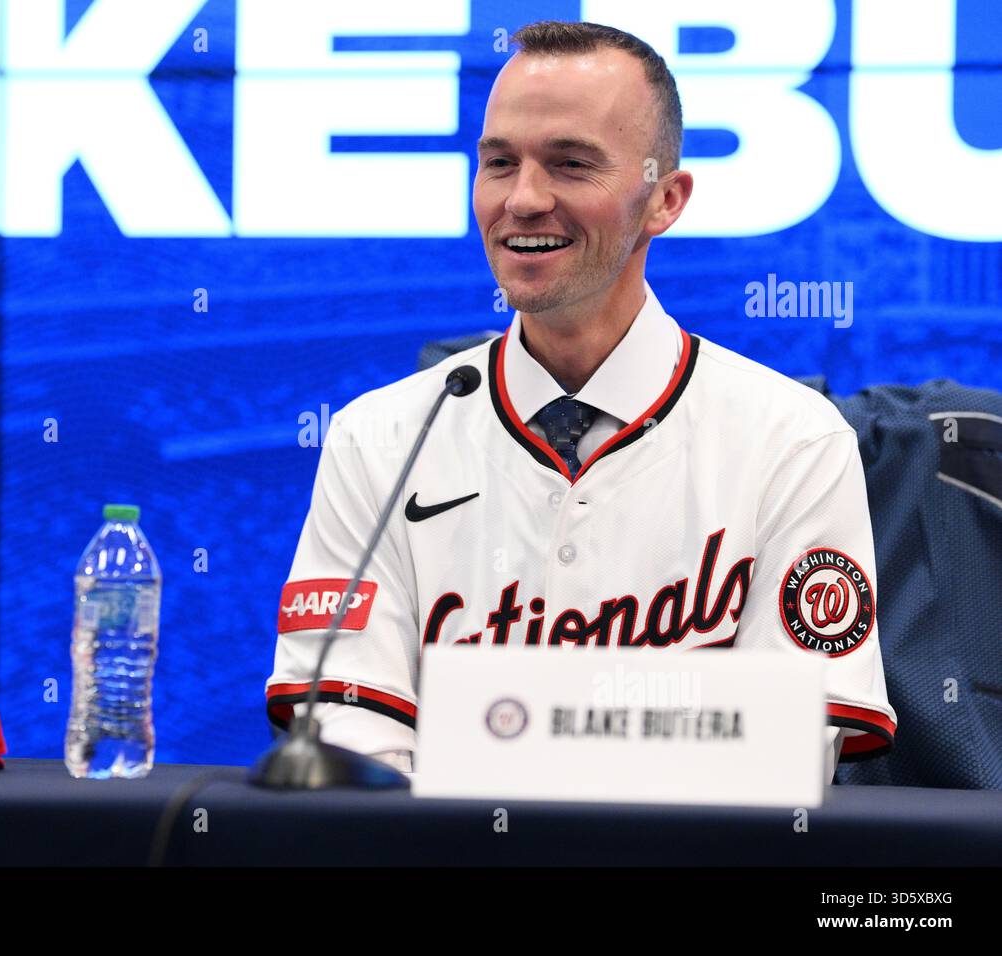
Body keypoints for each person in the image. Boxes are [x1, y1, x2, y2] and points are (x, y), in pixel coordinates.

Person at [265, 20, 896, 780]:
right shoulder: (378, 437)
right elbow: (346, 733)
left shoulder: (793, 440)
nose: (523, 200)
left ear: (664, 200)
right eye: (500, 163)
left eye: (569, 164)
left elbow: (790, 747)